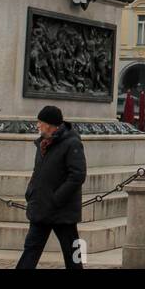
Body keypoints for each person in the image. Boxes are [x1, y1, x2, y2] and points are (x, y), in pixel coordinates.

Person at [16, 106, 87, 270]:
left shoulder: (72, 143)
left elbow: (77, 175)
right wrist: (31, 192)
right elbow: (38, 172)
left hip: (62, 210)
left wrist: (56, 198)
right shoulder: (42, 143)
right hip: (41, 207)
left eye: (40, 122)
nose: (37, 126)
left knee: (72, 253)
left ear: (49, 124)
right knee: (31, 249)